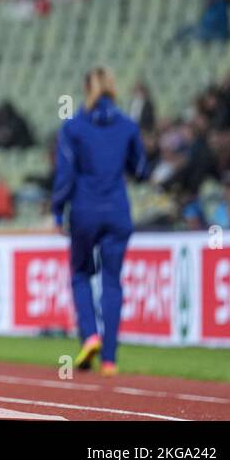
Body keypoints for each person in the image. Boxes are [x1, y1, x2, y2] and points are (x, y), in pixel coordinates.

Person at [52, 67, 149, 377]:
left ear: (86, 89)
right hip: (118, 211)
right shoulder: (128, 125)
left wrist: (57, 210)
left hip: (84, 211)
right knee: (112, 282)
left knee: (80, 273)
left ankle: (90, 334)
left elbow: (65, 177)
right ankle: (109, 359)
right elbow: (142, 168)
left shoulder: (74, 127)